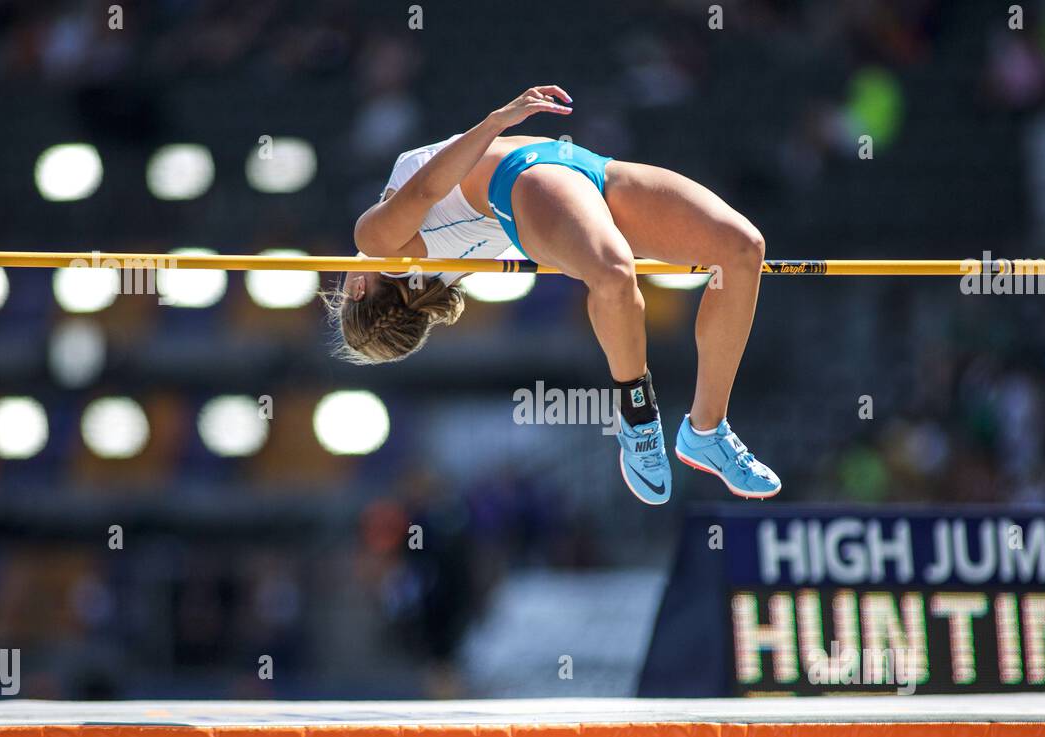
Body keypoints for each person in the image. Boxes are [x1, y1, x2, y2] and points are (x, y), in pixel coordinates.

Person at [329, 86, 780, 503]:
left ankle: (706, 428)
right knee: (613, 274)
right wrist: (496, 121)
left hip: (580, 166)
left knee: (741, 249)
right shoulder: (378, 245)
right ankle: (639, 419)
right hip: (528, 178)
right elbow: (429, 187)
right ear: (356, 287)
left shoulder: (433, 277)